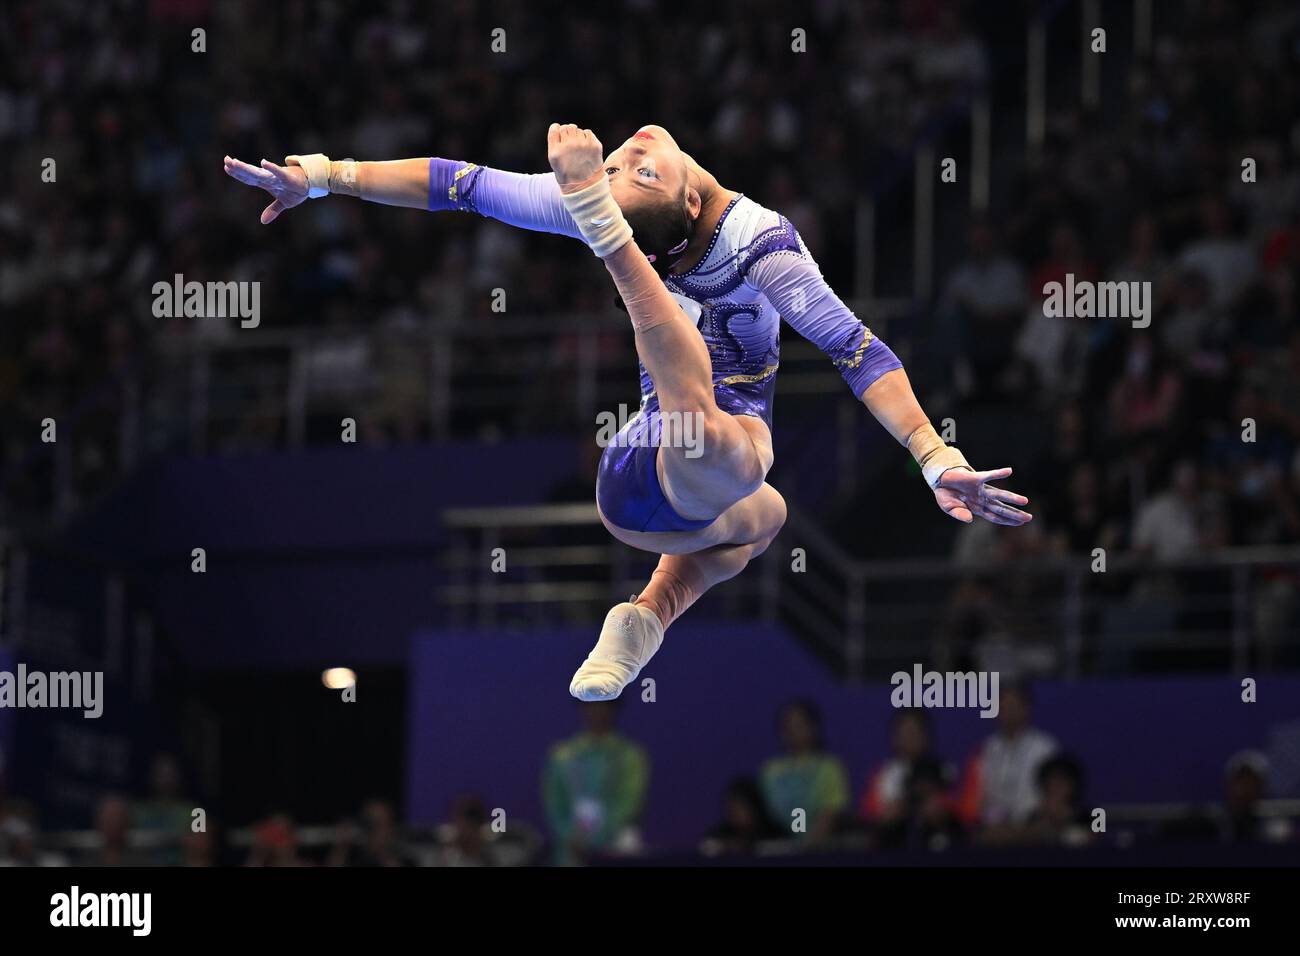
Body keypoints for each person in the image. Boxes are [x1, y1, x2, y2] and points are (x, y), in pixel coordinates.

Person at [225, 123, 1031, 700]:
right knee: (743, 447)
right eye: (624, 173)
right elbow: (452, 184)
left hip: (676, 508)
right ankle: (630, 287)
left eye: (628, 171)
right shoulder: (699, 228)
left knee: (769, 512)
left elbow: (859, 351)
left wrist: (936, 456)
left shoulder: (760, 248)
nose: (635, 153)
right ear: (668, 210)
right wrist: (324, 174)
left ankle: (645, 617)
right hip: (644, 467)